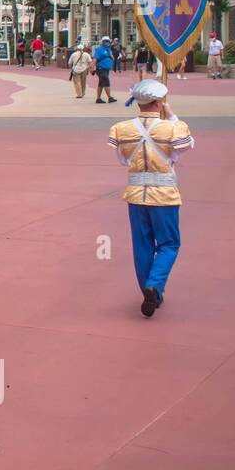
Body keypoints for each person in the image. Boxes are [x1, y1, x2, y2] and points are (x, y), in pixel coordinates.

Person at [108, 79, 194, 317]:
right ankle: (154, 285)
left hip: (136, 195)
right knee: (168, 244)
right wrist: (172, 118)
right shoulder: (172, 128)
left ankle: (150, 290)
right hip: (164, 195)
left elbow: (123, 160)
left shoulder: (121, 128)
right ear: (160, 102)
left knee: (142, 245)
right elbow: (185, 148)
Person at [92, 36, 117, 103]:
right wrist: (91, 68)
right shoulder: (99, 49)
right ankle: (110, 97)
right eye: (105, 41)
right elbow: (95, 59)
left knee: (101, 84)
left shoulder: (109, 50)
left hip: (106, 69)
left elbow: (113, 58)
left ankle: (98, 99)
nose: (107, 42)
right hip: (100, 69)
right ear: (102, 42)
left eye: (108, 41)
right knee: (106, 81)